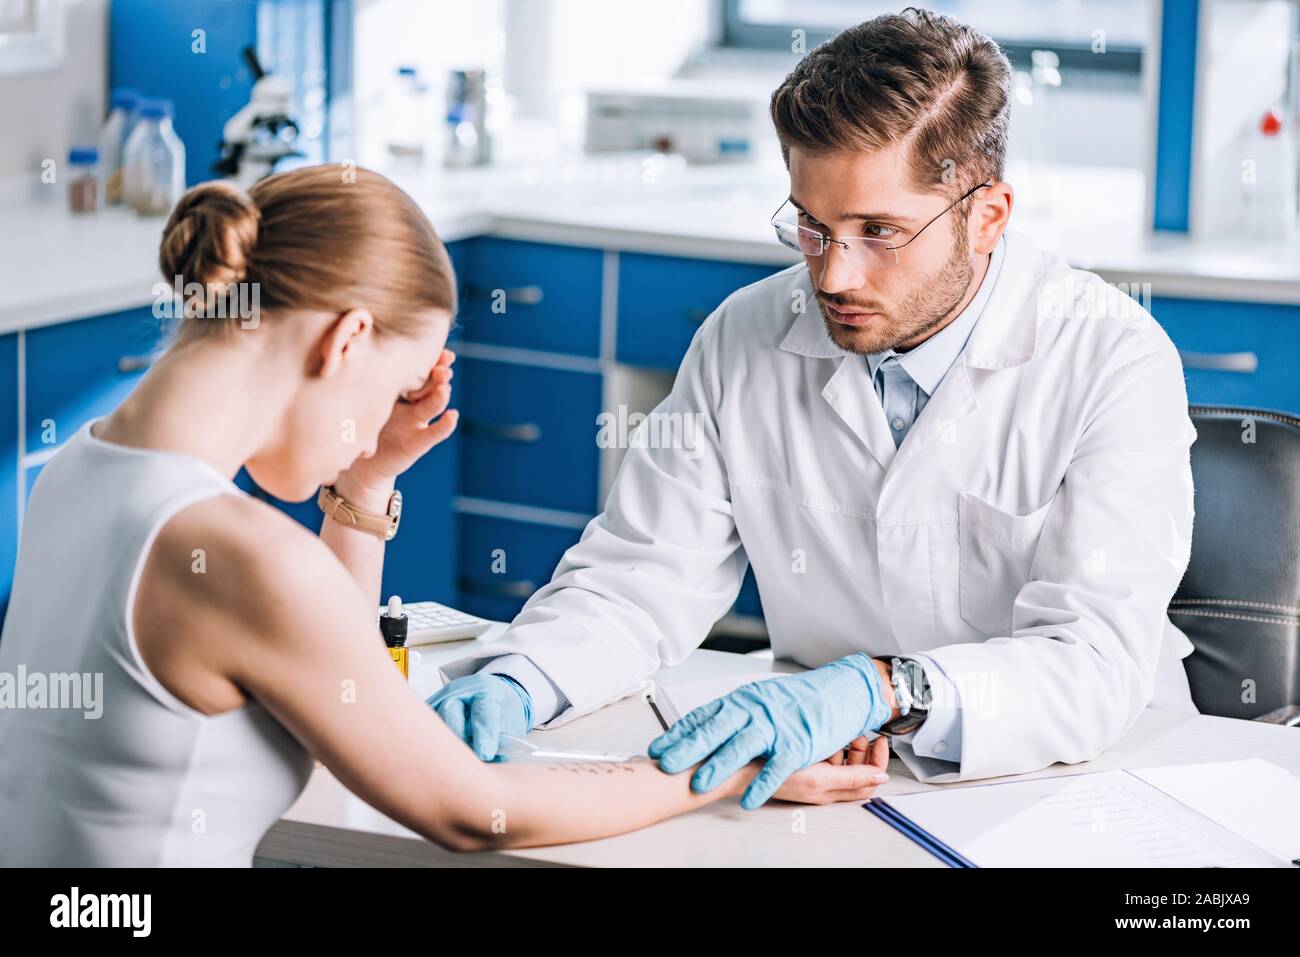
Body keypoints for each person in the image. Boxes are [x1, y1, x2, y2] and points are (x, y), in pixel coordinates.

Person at [0, 166, 886, 866]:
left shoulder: (81, 467)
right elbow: (471, 810)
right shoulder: (235, 553)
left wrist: (370, 468)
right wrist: (720, 769)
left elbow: (325, 668)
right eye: (392, 381)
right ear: (344, 340)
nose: (392, 406)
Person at [431, 8, 1199, 808]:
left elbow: (1093, 660)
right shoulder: (744, 335)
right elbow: (639, 576)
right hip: (825, 768)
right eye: (811, 225)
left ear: (988, 216)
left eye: (878, 230)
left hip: (1080, 778)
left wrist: (882, 686)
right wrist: (524, 678)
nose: (831, 277)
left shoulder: (1112, 356)